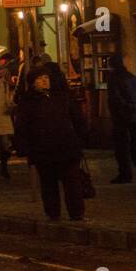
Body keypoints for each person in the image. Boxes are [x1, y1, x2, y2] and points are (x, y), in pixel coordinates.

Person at [16, 65, 88, 222]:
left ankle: (77, 213)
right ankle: (53, 213)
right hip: (43, 150)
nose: (44, 81)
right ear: (33, 82)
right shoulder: (28, 102)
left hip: (66, 146)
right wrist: (24, 148)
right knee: (49, 184)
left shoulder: (61, 97)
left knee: (72, 182)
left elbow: (77, 119)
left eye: (46, 78)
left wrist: (80, 139)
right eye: (40, 79)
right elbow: (22, 127)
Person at [107, 53, 136, 184]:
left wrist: (121, 108)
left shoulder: (113, 78)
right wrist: (134, 107)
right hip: (134, 115)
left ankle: (125, 174)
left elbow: (115, 98)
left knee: (121, 147)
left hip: (121, 116)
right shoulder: (134, 78)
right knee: (133, 144)